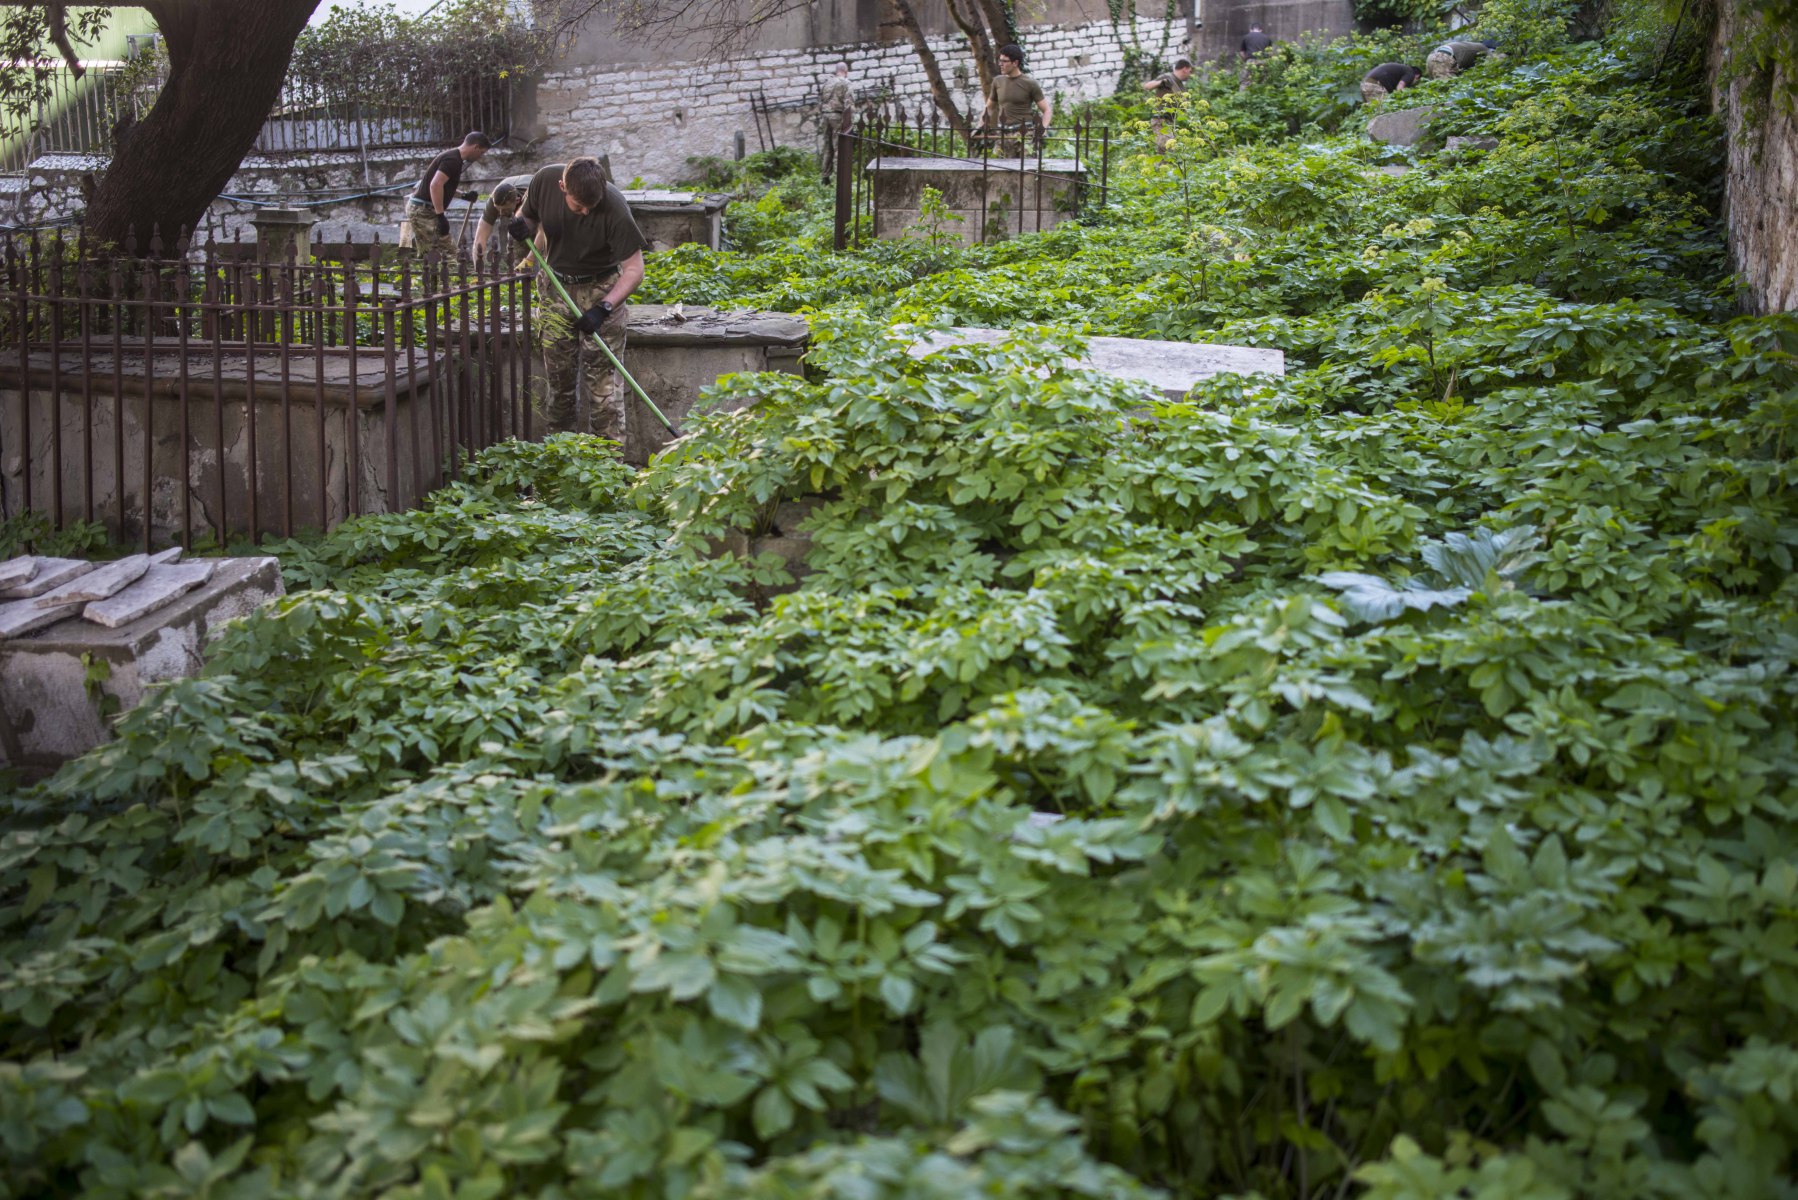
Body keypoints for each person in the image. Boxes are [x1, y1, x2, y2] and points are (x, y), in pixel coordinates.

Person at [511, 157, 649, 442]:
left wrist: (604, 307)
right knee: (559, 385)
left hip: (601, 287)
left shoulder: (615, 207)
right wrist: (521, 226)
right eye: (578, 205)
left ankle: (608, 469)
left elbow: (635, 271)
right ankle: (561, 459)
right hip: (555, 288)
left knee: (604, 391)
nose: (586, 211)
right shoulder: (544, 181)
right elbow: (526, 215)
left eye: (592, 206)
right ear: (562, 187)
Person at [405, 131, 490, 258]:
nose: (480, 157)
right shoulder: (452, 160)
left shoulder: (454, 158)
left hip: (420, 208)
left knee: (428, 255)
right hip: (424, 211)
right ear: (475, 147)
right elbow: (435, 185)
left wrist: (463, 195)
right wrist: (440, 216)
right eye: (481, 152)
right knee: (451, 257)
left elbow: (441, 186)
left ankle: (430, 277)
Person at [981, 43, 1051, 155]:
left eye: (1004, 61)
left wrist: (1042, 129)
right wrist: (979, 127)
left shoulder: (1030, 83)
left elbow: (1047, 110)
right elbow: (989, 107)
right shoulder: (997, 82)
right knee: (999, 170)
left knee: (1026, 170)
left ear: (1015, 63)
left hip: (1024, 134)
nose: (1000, 64)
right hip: (1003, 134)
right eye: (1000, 61)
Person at [473, 174, 534, 264]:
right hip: (512, 190)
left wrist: (530, 260)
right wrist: (478, 270)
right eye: (498, 209)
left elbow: (543, 231)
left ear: (517, 201)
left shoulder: (533, 197)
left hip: (537, 195)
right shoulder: (494, 202)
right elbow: (480, 238)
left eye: (505, 209)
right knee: (516, 240)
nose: (501, 213)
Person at [1142, 58, 1194, 149]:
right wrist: (1162, 82)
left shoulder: (1179, 83)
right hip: (1161, 120)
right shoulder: (1168, 77)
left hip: (1170, 121)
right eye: (1190, 71)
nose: (1190, 74)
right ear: (1185, 69)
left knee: (1169, 152)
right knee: (1166, 151)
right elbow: (1147, 86)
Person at [819, 61, 854, 182]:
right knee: (838, 147)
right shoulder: (846, 83)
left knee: (827, 146)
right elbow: (849, 104)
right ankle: (840, 178)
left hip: (825, 117)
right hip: (837, 117)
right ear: (846, 71)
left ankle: (825, 176)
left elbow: (821, 101)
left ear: (836, 71)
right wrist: (850, 124)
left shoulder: (827, 83)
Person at [1425, 38, 1495, 80]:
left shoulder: (1473, 46)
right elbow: (1491, 66)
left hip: (1432, 56)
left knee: (1437, 87)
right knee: (1447, 88)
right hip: (1442, 58)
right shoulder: (1484, 49)